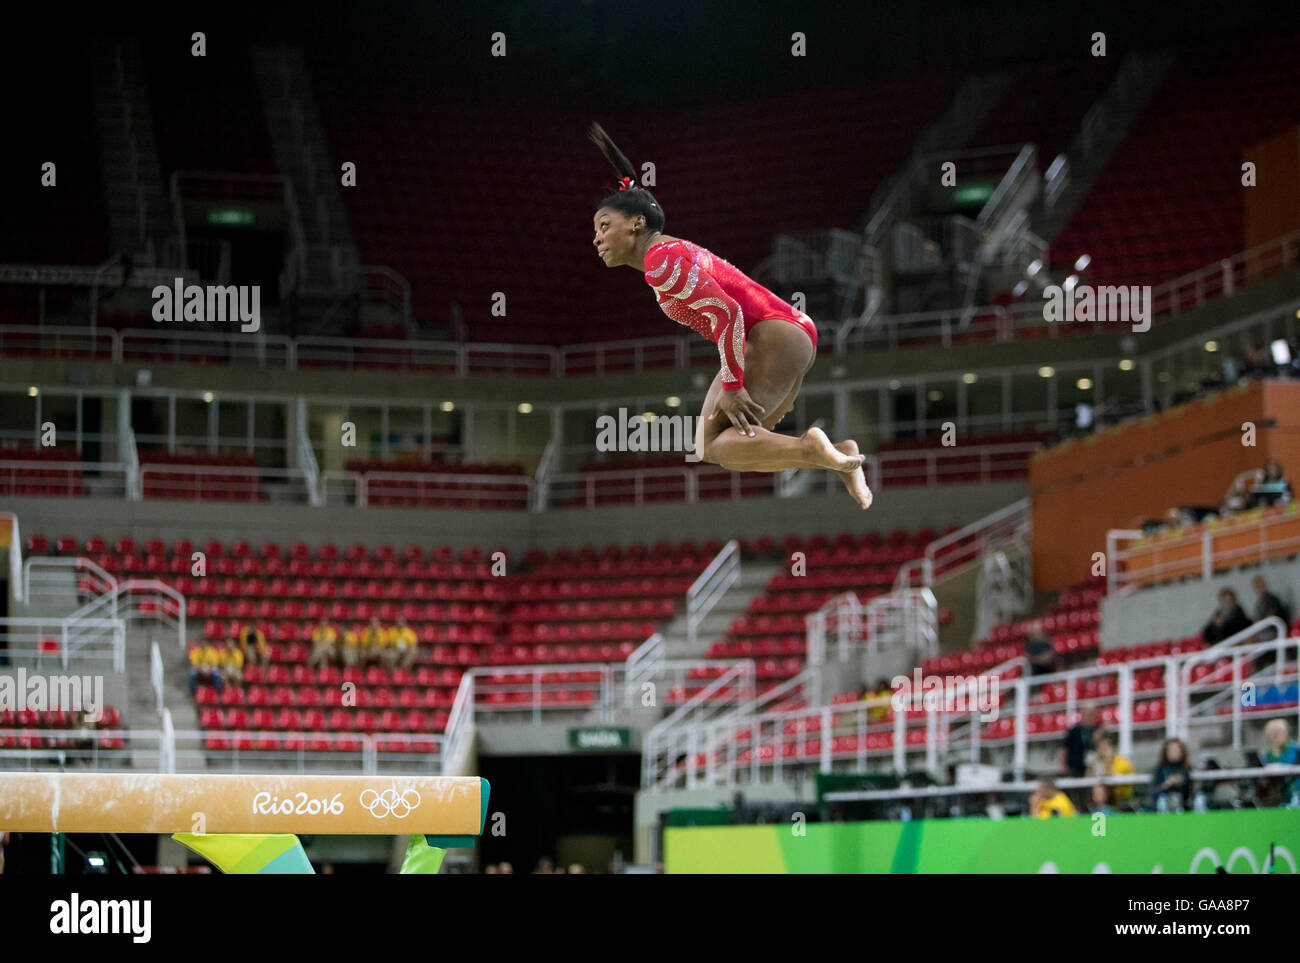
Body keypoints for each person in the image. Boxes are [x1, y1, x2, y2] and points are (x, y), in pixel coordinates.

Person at [588, 122, 872, 510]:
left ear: (637, 223)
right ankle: (838, 455)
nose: (597, 238)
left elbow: (728, 312)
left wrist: (733, 384)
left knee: (709, 444)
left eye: (604, 226)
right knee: (739, 445)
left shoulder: (659, 260)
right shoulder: (668, 254)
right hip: (789, 334)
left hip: (771, 335)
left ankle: (813, 447)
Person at [1088, 731, 1135, 811]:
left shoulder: (1122, 761)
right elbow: (1088, 777)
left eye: (1106, 746)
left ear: (1112, 747)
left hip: (1121, 798)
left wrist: (1108, 761)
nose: (1103, 749)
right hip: (1101, 800)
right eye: (1101, 746)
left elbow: (1110, 776)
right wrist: (1093, 764)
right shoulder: (1097, 762)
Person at [1261, 718, 1300, 804]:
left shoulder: (1295, 749)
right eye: (1275, 734)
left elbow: (1288, 764)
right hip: (1279, 790)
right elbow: (1263, 765)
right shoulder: (1268, 753)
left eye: (1282, 732)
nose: (1279, 736)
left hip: (1295, 788)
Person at [1148, 738, 1193, 811]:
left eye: (1176, 750)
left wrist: (1180, 781)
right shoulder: (1159, 769)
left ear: (1182, 752)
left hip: (1183, 809)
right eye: (1171, 750)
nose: (1173, 752)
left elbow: (1189, 793)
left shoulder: (1186, 769)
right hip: (1161, 809)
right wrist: (1167, 784)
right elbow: (1153, 792)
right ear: (1165, 752)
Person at [1060, 704, 1103, 778]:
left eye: (1090, 715)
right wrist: (1063, 765)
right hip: (1074, 767)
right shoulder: (1074, 731)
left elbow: (1107, 723)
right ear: (1082, 715)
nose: (1088, 718)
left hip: (1091, 767)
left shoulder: (1096, 729)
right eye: (1086, 715)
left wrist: (1100, 731)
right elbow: (1065, 748)